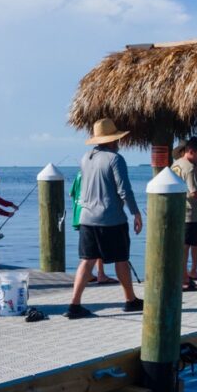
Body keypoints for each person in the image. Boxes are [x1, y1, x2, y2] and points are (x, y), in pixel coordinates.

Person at [66, 118, 143, 318]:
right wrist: (135, 212)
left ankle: (74, 305)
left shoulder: (86, 158)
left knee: (86, 260)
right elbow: (124, 190)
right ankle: (130, 300)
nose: (118, 142)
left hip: (86, 217)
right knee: (121, 259)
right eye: (116, 138)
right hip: (111, 218)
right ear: (111, 140)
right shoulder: (115, 159)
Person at [171, 137, 197, 292]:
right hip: (189, 213)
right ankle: (183, 279)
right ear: (191, 151)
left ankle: (182, 276)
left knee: (182, 246)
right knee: (186, 246)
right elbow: (194, 192)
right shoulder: (189, 167)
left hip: (178, 211)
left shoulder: (175, 164)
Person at [70, 170, 116, 285]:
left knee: (88, 246)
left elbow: (72, 193)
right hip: (92, 213)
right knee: (97, 244)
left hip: (79, 213)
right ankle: (100, 274)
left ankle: (90, 274)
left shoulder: (79, 173)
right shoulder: (95, 174)